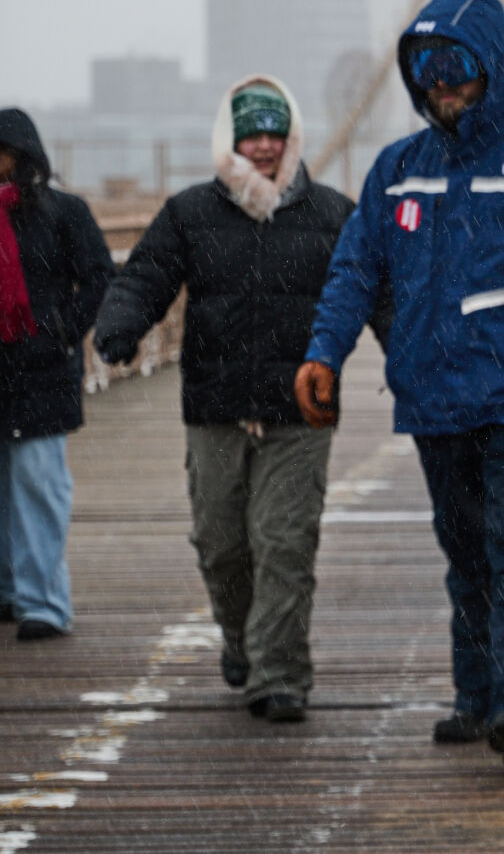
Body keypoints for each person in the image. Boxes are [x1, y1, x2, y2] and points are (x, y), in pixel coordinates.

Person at [296, 0, 504, 767]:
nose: (442, 84)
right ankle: (475, 692)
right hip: (433, 397)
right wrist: (323, 353)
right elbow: (354, 272)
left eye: (457, 65)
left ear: (494, 67)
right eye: (425, 69)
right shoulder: (397, 172)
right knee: (464, 548)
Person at [94, 78, 361, 721]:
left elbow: (372, 291)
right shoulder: (191, 213)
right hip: (215, 407)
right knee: (221, 545)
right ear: (232, 140)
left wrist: (414, 359)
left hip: (301, 409)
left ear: (292, 138)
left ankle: (281, 676)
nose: (265, 146)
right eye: (252, 134)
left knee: (284, 542)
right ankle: (243, 642)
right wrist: (119, 328)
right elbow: (146, 276)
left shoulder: (333, 214)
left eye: (276, 133)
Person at [0, 109, 114, 642]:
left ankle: (43, 603)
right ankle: (8, 593)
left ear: (24, 155)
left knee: (39, 486)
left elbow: (98, 276)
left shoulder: (64, 213)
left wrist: (62, 331)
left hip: (41, 371)